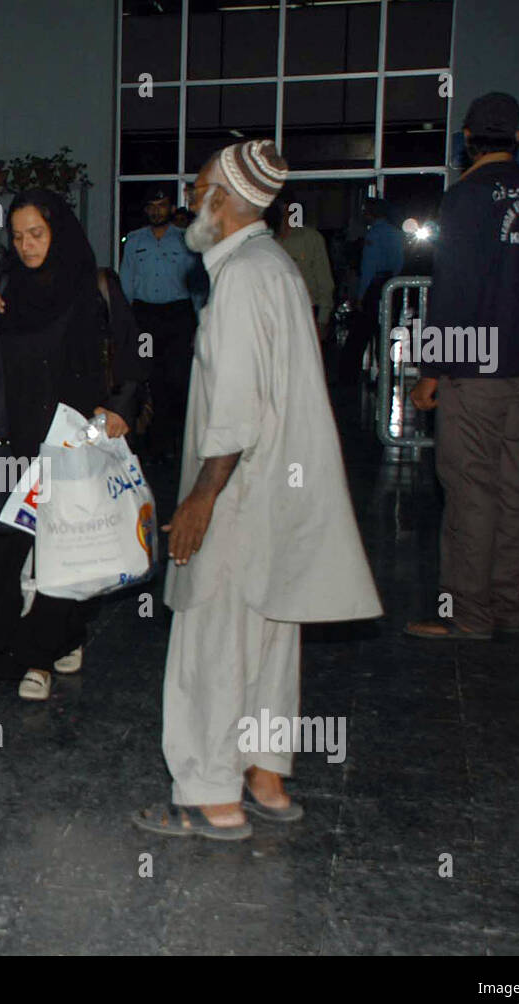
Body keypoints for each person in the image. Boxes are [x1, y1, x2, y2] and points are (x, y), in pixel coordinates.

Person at [132, 140, 381, 841]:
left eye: (200, 185)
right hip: (277, 487)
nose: (190, 196)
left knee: (210, 638)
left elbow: (235, 408)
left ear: (225, 201)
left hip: (236, 490)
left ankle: (211, 796)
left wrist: (201, 500)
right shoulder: (272, 266)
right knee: (270, 632)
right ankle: (264, 778)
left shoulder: (241, 277)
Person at [0, 189, 146, 701]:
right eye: (17, 237)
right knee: (8, 549)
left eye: (36, 233)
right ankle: (21, 648)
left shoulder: (95, 287)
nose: (26, 245)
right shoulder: (5, 289)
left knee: (71, 548)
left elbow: (129, 356)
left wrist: (120, 406)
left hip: (75, 439)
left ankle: (37, 657)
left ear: (58, 230)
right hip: (14, 442)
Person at [404, 92, 519, 639]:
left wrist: (430, 373)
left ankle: (467, 617)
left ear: (467, 138)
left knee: (469, 487)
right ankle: (503, 605)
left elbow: (452, 290)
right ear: (518, 138)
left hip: (474, 362)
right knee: (510, 484)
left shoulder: (466, 198)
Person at [119, 185, 203, 462]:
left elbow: (196, 286)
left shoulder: (185, 240)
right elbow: (126, 283)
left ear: (170, 207)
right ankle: (151, 440)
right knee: (147, 376)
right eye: (152, 207)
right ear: (146, 210)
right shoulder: (134, 241)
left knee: (177, 379)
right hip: (145, 318)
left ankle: (174, 438)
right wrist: (124, 324)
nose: (157, 211)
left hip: (178, 318)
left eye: (163, 205)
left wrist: (201, 324)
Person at [337, 196, 403, 385]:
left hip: (374, 288)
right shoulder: (396, 233)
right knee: (385, 336)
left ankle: (347, 379)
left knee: (358, 336)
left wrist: (361, 295)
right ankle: (385, 380)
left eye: (365, 210)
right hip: (391, 286)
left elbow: (369, 268)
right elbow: (399, 263)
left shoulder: (374, 234)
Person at [269, 191, 335, 340]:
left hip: (303, 312)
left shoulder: (311, 239)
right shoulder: (265, 240)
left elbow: (324, 280)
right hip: (271, 313)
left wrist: (323, 319)